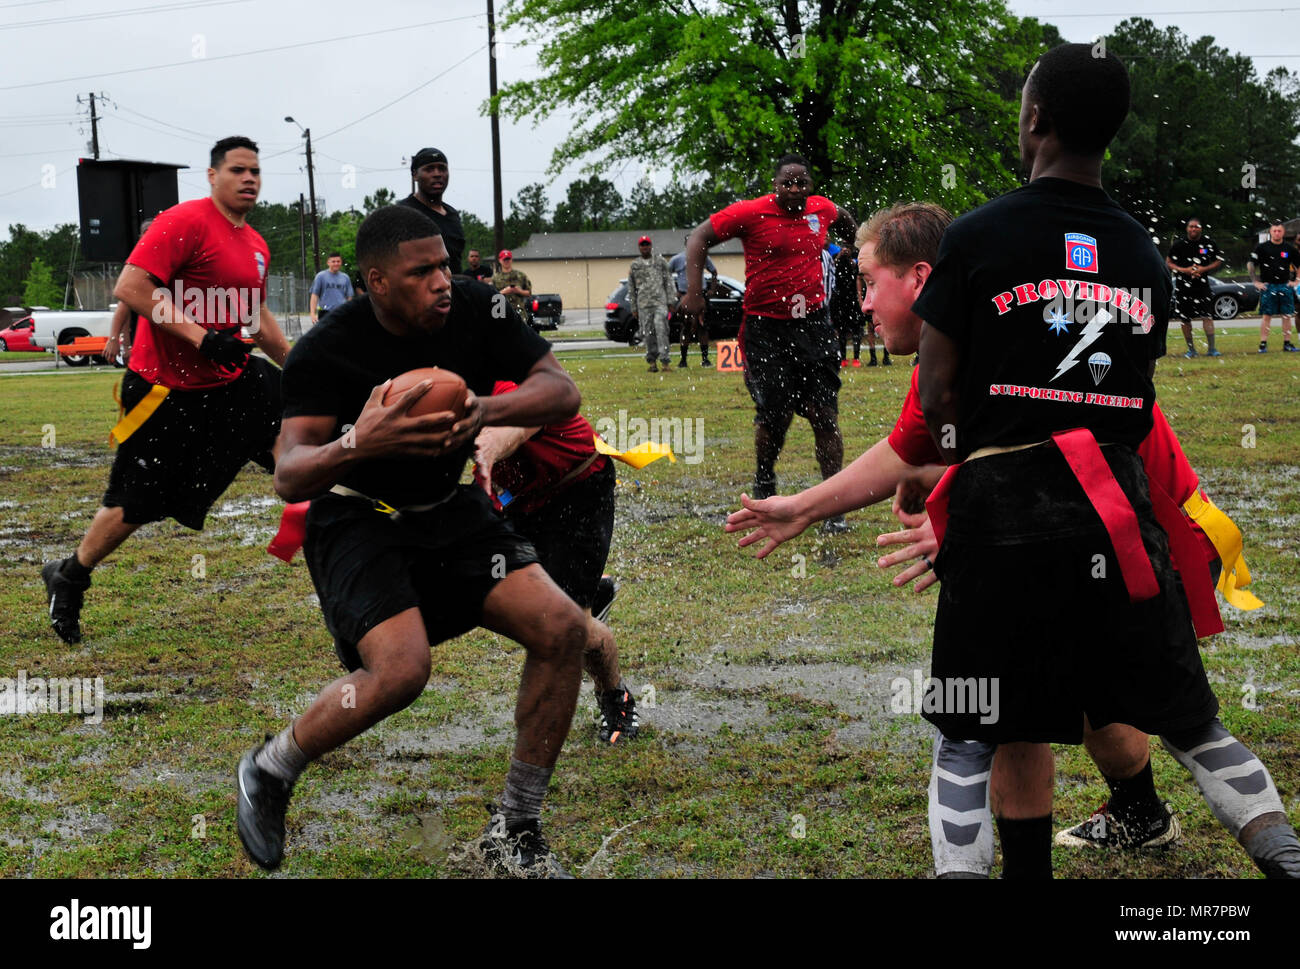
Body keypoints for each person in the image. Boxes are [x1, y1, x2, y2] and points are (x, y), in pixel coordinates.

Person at [729, 199, 1295, 880]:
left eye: (869, 281)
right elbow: (923, 450)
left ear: (920, 277)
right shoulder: (996, 322)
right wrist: (828, 506)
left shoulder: (971, 343)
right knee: (1082, 705)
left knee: (993, 721)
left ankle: (1135, 813)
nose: (864, 304)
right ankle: (1153, 817)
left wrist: (973, 531)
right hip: (1112, 528)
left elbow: (1014, 453)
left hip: (1144, 521)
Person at [913, 42, 1300, 879]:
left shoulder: (977, 235)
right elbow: (1128, 394)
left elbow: (936, 399)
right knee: (1193, 724)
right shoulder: (1141, 253)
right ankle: (1286, 857)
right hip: (1119, 515)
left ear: (1037, 119)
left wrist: (959, 463)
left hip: (1005, 509)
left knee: (969, 728)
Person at [236, 205, 586, 878]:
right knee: (401, 671)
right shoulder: (326, 348)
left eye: (445, 266)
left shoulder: (480, 309)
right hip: (356, 515)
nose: (442, 282)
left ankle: (515, 826)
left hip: (447, 508)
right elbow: (289, 472)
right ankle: (271, 766)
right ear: (376, 281)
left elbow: (560, 391)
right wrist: (361, 440)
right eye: (421, 271)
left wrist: (484, 408)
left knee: (563, 628)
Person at [40, 136, 289, 646]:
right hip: (165, 392)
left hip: (232, 384)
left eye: (256, 171)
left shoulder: (256, 244)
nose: (249, 179)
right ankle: (70, 574)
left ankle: (356, 545)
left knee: (304, 434)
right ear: (212, 175)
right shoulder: (184, 221)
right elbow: (131, 288)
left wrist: (304, 369)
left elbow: (257, 318)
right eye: (238, 169)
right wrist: (202, 337)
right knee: (134, 504)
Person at [682, 153, 856, 531]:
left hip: (813, 325)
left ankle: (833, 502)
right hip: (765, 330)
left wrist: (859, 254)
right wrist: (694, 293)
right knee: (774, 413)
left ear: (810, 186)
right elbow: (698, 237)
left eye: (802, 182)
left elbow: (846, 222)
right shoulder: (750, 213)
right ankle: (764, 476)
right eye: (787, 183)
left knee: (824, 413)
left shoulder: (821, 209)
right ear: (774, 185)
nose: (795, 189)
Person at [473, 382, 638, 745]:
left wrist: (485, 451)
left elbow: (519, 424)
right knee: (482, 593)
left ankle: (617, 699)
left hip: (578, 487)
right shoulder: (428, 389)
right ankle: (595, 591)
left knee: (564, 625)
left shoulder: (505, 377)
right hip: (522, 499)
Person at [398, 147, 466, 274]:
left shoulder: (452, 215)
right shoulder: (403, 213)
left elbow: (456, 262)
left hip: (453, 289)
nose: (437, 174)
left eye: (442, 168)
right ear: (415, 175)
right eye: (429, 169)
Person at [1166, 218, 1223, 358]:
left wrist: (1204, 268)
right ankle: (1191, 350)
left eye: (1196, 227)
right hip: (1183, 287)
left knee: (1207, 316)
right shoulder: (1179, 244)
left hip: (1202, 286)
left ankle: (1212, 349)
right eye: (1191, 227)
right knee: (1185, 319)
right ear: (1187, 228)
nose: (1193, 229)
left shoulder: (1208, 243)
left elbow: (1219, 260)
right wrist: (1184, 270)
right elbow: (1168, 262)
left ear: (1201, 228)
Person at [101, 219, 154, 365]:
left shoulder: (168, 260)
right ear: (140, 237)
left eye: (154, 231)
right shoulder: (139, 265)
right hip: (142, 340)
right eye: (146, 232)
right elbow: (124, 307)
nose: (151, 235)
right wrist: (123, 343)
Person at [627, 236, 677, 372]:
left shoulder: (660, 262)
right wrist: (634, 307)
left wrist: (671, 300)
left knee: (661, 331)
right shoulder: (635, 265)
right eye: (642, 245)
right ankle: (652, 362)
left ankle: (665, 362)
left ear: (651, 246)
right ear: (639, 247)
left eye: (647, 245)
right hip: (643, 305)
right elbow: (631, 288)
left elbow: (668, 281)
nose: (645, 247)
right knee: (648, 334)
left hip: (660, 303)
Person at [1248, 221, 1298, 352]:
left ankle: (1287, 344)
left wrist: (1297, 280)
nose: (1277, 233)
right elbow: (1251, 264)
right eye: (1274, 231)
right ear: (1270, 232)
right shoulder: (1262, 247)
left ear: (1283, 232)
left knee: (1287, 315)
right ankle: (1263, 344)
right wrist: (1255, 281)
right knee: (1266, 316)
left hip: (1285, 286)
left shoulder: (1289, 248)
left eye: (1279, 231)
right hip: (1268, 286)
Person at [667, 244, 715, 368]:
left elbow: (714, 271)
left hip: (700, 295)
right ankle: (683, 360)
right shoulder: (677, 259)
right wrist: (674, 290)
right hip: (684, 295)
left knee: (702, 326)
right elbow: (666, 275)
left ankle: (705, 359)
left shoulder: (703, 257)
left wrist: (712, 290)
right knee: (686, 326)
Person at [309, 251, 354, 325]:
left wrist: (348, 312)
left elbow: (349, 297)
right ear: (328, 263)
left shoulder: (345, 278)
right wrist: (312, 313)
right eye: (333, 261)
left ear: (341, 262)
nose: (336, 263)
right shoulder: (321, 276)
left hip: (341, 312)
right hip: (325, 312)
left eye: (338, 261)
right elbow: (315, 295)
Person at [491, 250, 532, 327]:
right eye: (504, 259)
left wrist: (518, 291)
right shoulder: (495, 278)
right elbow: (491, 296)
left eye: (508, 259)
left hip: (518, 310)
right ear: (500, 260)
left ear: (511, 260)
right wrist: (503, 292)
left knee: (520, 335)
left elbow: (529, 293)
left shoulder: (520, 275)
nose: (506, 261)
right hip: (501, 312)